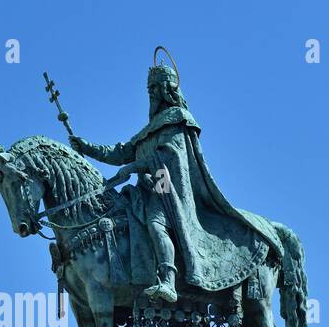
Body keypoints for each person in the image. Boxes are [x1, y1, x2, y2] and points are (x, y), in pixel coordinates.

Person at [69, 58, 284, 303]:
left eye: (154, 88)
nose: (149, 93)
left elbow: (170, 155)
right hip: (148, 188)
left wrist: (136, 166)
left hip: (168, 188)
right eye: (148, 89)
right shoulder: (150, 128)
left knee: (155, 224)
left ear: (166, 89)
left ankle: (168, 281)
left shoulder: (177, 118)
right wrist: (87, 147)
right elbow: (121, 151)